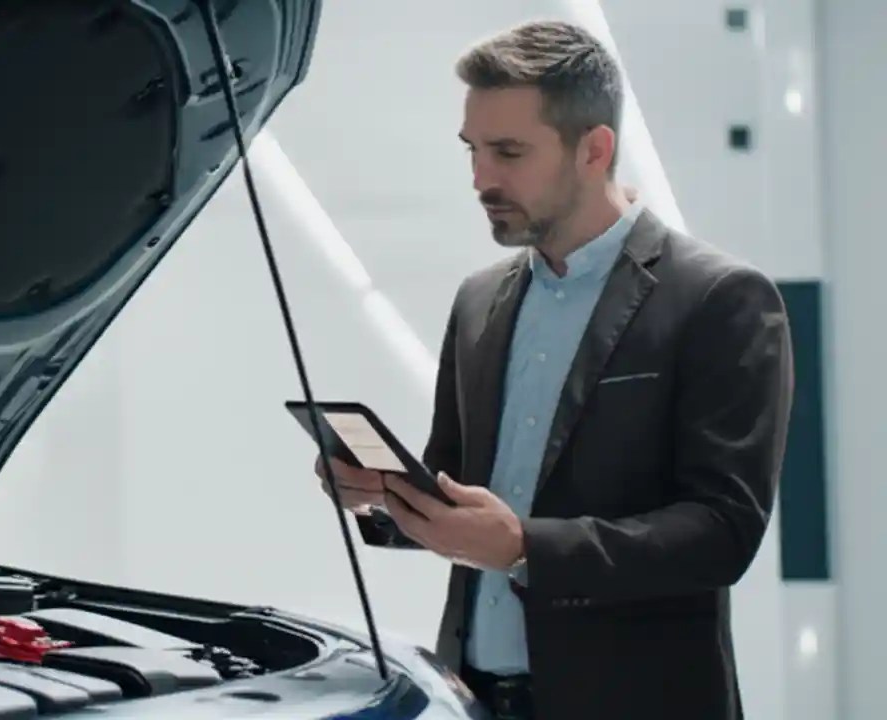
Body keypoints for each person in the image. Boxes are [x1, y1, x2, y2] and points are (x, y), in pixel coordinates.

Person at [313, 19, 793, 720]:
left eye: (508, 152)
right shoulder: (480, 300)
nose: (481, 178)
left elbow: (721, 534)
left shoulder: (721, 299)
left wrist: (524, 547)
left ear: (594, 149)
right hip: (473, 699)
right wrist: (384, 496)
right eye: (473, 151)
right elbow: (454, 480)